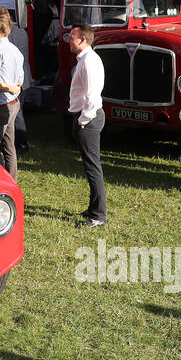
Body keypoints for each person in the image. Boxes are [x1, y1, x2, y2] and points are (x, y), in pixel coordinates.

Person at [67, 24, 106, 225]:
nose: (68, 40)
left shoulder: (89, 61)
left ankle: (98, 216)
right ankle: (94, 209)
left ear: (83, 40)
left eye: (72, 36)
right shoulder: (85, 59)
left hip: (88, 119)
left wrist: (82, 120)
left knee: (93, 168)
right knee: (90, 166)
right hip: (85, 117)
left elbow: (92, 96)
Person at [0, 15, 25, 180]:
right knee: (9, 145)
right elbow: (20, 81)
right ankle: (11, 180)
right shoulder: (15, 50)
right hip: (14, 101)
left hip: (1, 104)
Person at [0, 7, 31, 151]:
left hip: (15, 79)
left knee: (16, 113)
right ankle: (19, 142)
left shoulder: (9, 37)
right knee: (19, 112)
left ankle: (20, 143)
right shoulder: (22, 31)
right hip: (25, 76)